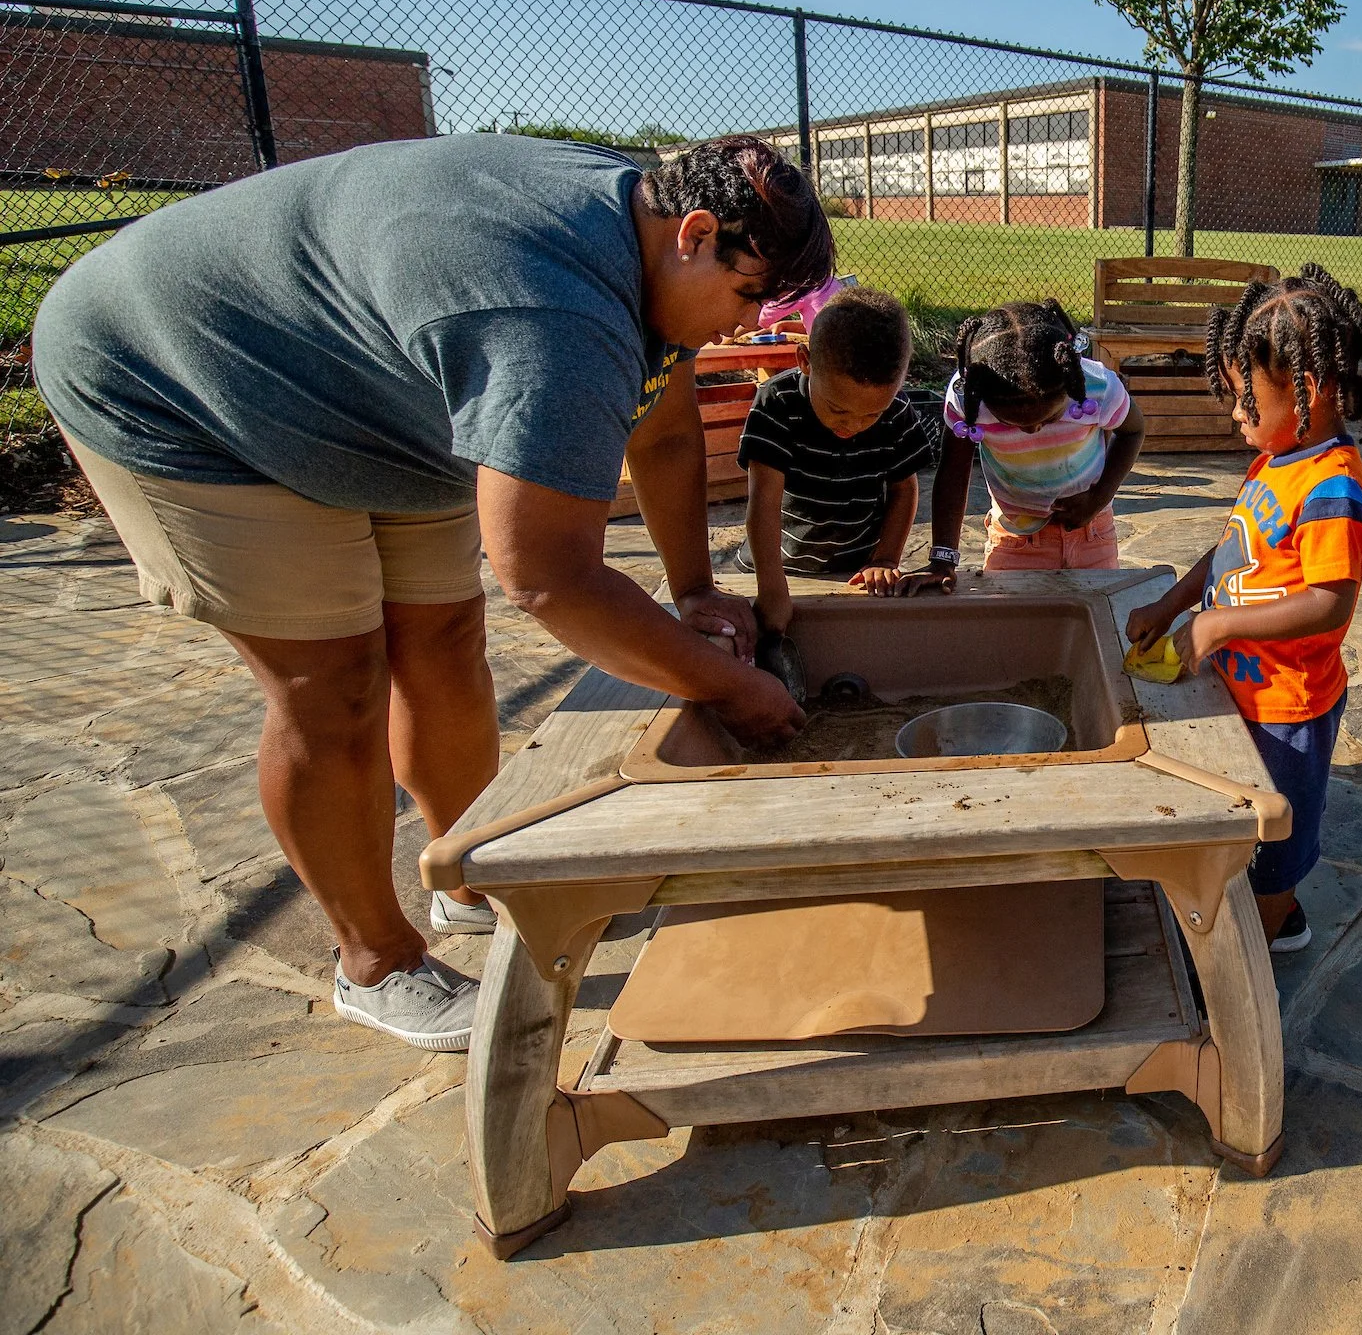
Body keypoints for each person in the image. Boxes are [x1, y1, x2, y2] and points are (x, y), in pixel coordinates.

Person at [31, 132, 825, 1050]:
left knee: (444, 643)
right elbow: (548, 578)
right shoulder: (552, 316)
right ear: (693, 231)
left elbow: (666, 431)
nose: (752, 326)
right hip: (182, 383)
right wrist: (726, 685)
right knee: (333, 686)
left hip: (369, 396)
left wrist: (693, 591)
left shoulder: (646, 242)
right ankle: (374, 962)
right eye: (749, 297)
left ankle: (472, 878)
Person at [1126, 265, 1362, 953]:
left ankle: (1265, 943)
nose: (1236, 417)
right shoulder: (1274, 460)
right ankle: (1275, 913)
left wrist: (1217, 624)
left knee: (1278, 841)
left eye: (1249, 404)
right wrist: (1174, 600)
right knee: (1242, 816)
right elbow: (1232, 549)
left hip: (1289, 707)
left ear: (1313, 391)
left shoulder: (1332, 485)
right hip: (1243, 687)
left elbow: (1330, 603)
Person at [906, 299, 1145, 589]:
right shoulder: (970, 397)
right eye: (1012, 422)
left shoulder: (1096, 388)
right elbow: (953, 471)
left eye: (1049, 418)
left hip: (1091, 533)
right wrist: (943, 558)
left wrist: (1097, 500)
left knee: (1094, 618)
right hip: (1014, 540)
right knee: (1012, 623)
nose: (1031, 429)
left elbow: (1133, 431)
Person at [739, 287, 940, 622]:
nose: (853, 425)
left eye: (871, 414)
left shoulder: (897, 411)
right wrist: (771, 588)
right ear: (805, 361)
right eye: (837, 409)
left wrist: (886, 559)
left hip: (855, 569)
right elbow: (763, 500)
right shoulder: (778, 402)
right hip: (775, 567)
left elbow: (904, 490)